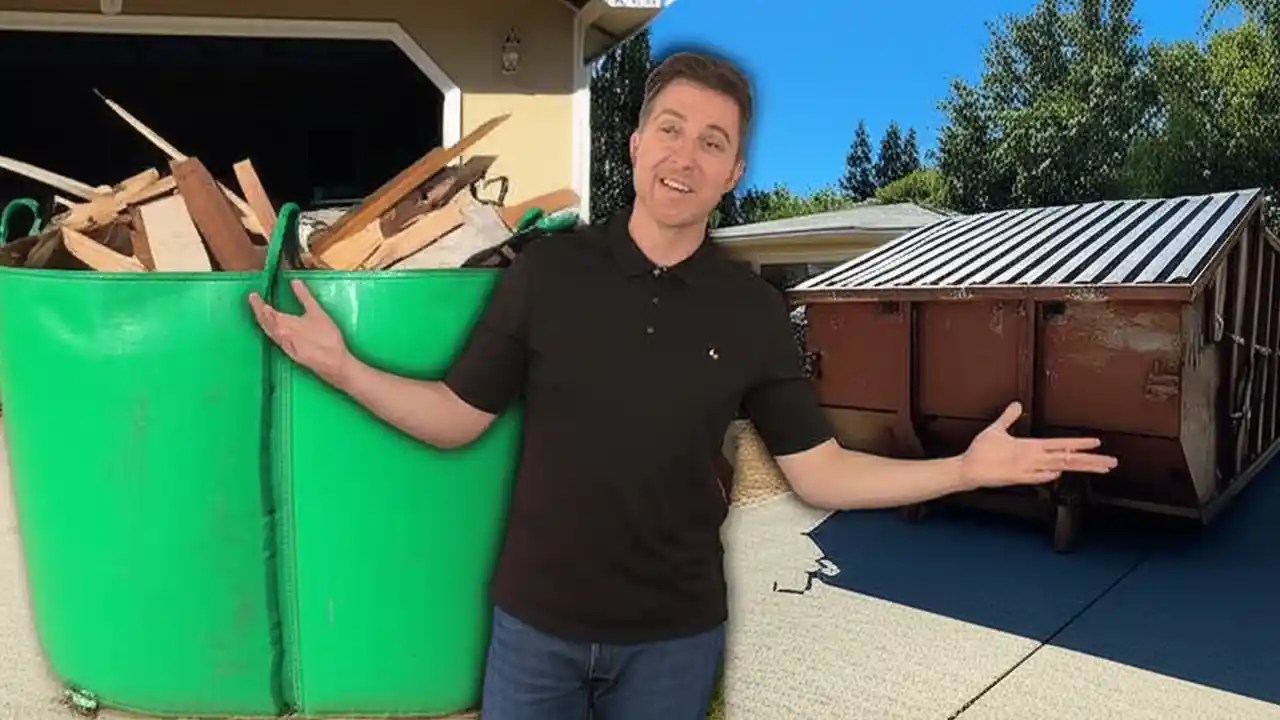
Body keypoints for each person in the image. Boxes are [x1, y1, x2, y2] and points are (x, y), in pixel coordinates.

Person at [247, 50, 1118, 720]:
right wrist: (341, 365)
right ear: (634, 143)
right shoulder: (548, 274)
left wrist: (963, 471)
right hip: (534, 634)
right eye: (669, 127)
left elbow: (818, 473)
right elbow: (454, 418)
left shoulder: (752, 312)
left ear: (733, 173)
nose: (684, 155)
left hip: (673, 643)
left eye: (713, 141)